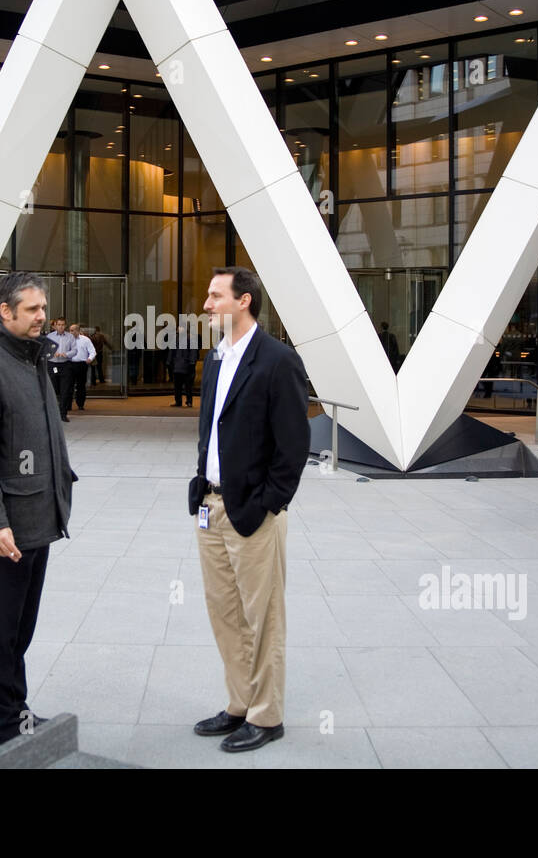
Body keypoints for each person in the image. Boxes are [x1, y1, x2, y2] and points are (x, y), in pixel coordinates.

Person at [188, 267, 309, 752]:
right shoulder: (218, 358)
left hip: (253, 513)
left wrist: (268, 503)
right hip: (210, 507)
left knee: (263, 618)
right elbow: (211, 431)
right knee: (226, 614)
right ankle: (239, 704)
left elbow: (293, 447)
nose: (206, 304)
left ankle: (267, 716)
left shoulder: (278, 360)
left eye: (215, 295)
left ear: (244, 302)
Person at [0, 272, 76, 750]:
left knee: (21, 625)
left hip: (40, 519)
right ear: (5, 312)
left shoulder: (32, 360)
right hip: (9, 527)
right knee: (2, 626)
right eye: (32, 309)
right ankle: (3, 721)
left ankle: (15, 708)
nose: (41, 316)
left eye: (43, 308)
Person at [45, 316, 74, 422]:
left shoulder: (70, 337)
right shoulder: (50, 336)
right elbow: (46, 350)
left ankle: (63, 414)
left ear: (65, 325)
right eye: (59, 325)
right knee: (53, 389)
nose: (61, 327)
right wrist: (53, 353)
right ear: (55, 326)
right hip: (52, 365)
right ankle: (52, 414)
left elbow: (74, 350)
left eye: (63, 325)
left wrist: (66, 354)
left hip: (65, 365)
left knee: (65, 390)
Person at [167, 321, 199, 407]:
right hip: (180, 365)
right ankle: (180, 401)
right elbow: (172, 351)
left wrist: (192, 362)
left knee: (186, 385)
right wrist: (169, 361)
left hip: (184, 365)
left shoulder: (189, 339)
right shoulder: (177, 339)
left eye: (180, 327)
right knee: (179, 385)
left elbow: (193, 352)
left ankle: (187, 401)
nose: (178, 329)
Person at [67, 323, 95, 412]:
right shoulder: (67, 339)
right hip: (70, 364)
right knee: (68, 385)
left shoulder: (85, 340)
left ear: (78, 331)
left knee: (81, 386)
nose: (70, 332)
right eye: (70, 330)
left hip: (82, 365)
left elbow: (92, 351)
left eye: (72, 330)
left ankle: (80, 405)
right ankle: (68, 405)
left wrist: (90, 359)